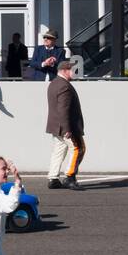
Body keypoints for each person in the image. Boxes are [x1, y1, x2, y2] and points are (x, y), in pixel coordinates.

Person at [45, 58, 85, 189]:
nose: (74, 72)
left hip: (55, 126)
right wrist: (67, 128)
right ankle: (70, 176)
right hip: (66, 127)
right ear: (64, 71)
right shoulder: (64, 86)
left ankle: (53, 178)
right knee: (78, 148)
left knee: (59, 150)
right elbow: (63, 109)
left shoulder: (54, 83)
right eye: (72, 70)